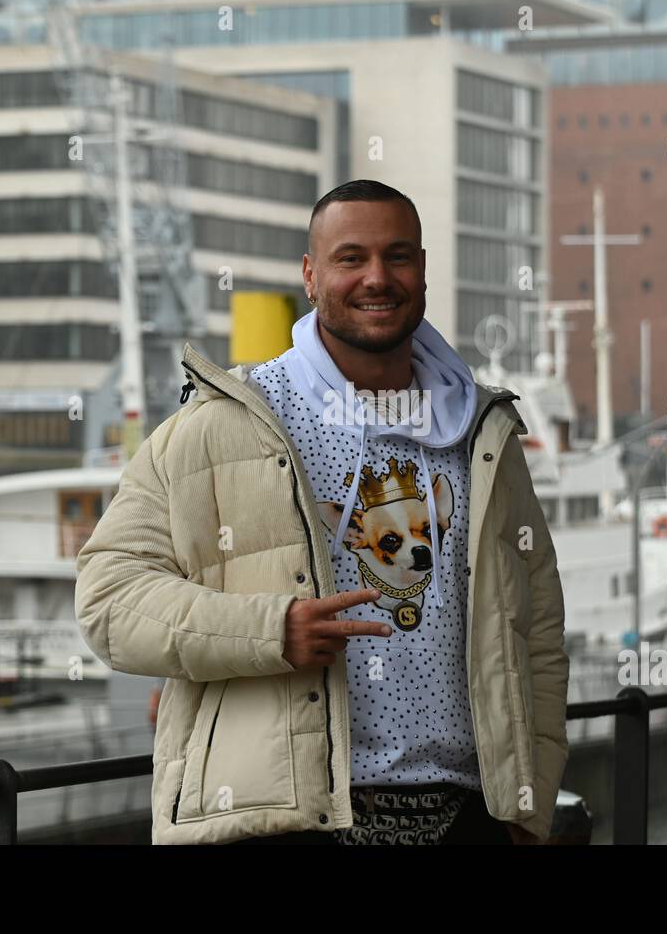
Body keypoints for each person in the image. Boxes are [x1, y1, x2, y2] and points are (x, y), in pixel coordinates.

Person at [75, 179, 568, 845]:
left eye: (398, 256)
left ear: (422, 271)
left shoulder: (484, 433)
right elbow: (109, 600)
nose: (376, 278)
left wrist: (527, 813)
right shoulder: (223, 424)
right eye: (350, 258)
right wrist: (271, 631)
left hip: (467, 821)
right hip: (287, 821)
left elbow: (536, 631)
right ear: (310, 275)